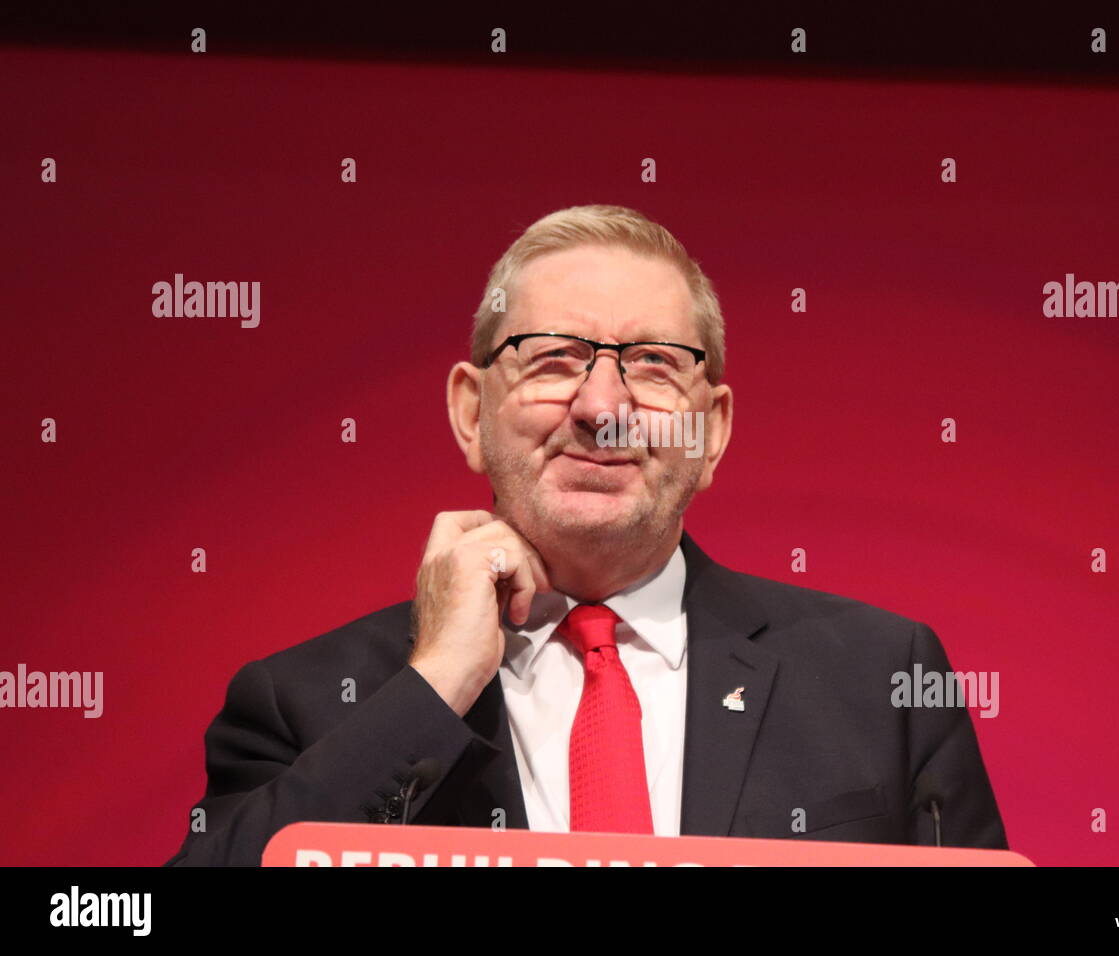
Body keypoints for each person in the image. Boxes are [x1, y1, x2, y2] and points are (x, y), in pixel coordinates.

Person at [165, 204, 1008, 865]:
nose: (603, 410)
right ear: (472, 413)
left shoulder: (880, 678)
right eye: (553, 358)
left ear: (710, 431)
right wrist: (437, 684)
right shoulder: (304, 703)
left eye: (651, 363)